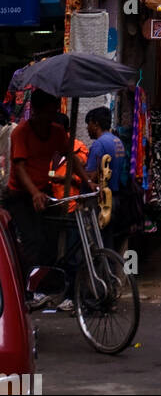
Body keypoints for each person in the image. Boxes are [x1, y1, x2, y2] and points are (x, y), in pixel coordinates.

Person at [1, 89, 91, 272]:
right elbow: (19, 167)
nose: (50, 117)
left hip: (44, 191)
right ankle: (29, 285)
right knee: (33, 240)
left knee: (53, 235)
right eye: (47, 113)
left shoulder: (57, 132)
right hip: (21, 195)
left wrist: (87, 182)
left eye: (54, 112)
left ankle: (49, 280)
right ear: (35, 110)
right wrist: (34, 193)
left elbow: (71, 158)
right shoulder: (21, 133)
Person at [85, 107, 127, 249]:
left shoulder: (99, 144)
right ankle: (109, 269)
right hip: (116, 198)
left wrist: (78, 169)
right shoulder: (118, 142)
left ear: (96, 124)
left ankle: (100, 270)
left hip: (101, 200)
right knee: (108, 241)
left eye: (88, 124)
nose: (87, 128)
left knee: (98, 242)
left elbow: (92, 175)